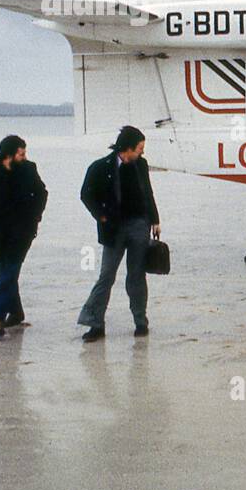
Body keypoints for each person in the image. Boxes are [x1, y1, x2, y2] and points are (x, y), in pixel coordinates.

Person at [77, 125, 161, 341]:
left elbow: (148, 191)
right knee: (106, 276)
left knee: (136, 275)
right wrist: (101, 216)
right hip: (113, 229)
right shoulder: (100, 167)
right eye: (140, 148)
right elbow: (86, 194)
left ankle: (140, 322)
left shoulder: (140, 165)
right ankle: (95, 324)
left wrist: (155, 219)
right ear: (127, 148)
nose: (142, 152)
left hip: (139, 226)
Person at [0, 135, 48, 338]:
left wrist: (35, 215)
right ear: (9, 155)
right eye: (21, 153)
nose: (25, 156)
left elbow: (42, 193)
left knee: (9, 272)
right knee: (6, 272)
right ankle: (17, 313)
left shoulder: (28, 169)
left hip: (23, 231)